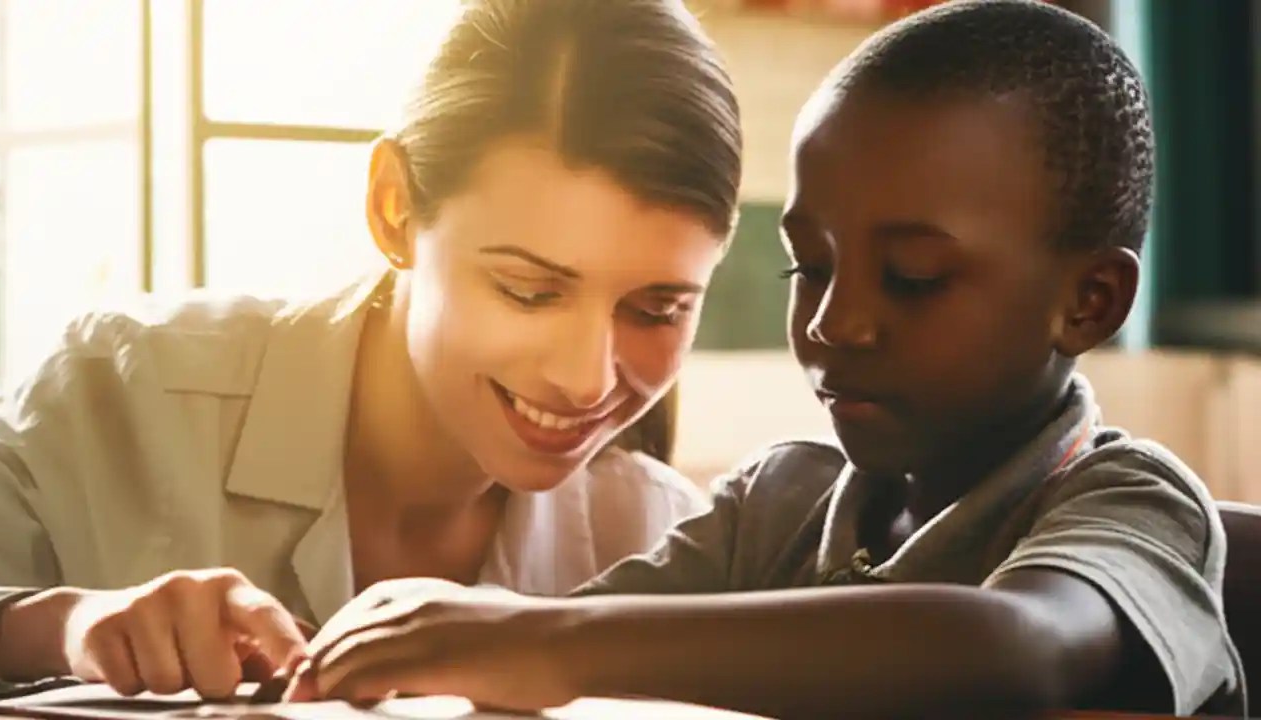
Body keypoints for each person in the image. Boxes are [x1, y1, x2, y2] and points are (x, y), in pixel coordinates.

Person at [281, 2, 1246, 717]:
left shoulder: (1134, 503)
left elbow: (1017, 651)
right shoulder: (777, 507)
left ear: (1089, 303)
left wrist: (530, 636)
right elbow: (528, 660)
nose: (833, 323)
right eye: (810, 265)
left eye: (910, 277)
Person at [0, 0, 743, 700]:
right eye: (527, 290)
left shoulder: (658, 536)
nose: (585, 381)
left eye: (656, 309)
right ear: (393, 208)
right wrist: (57, 623)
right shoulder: (120, 392)